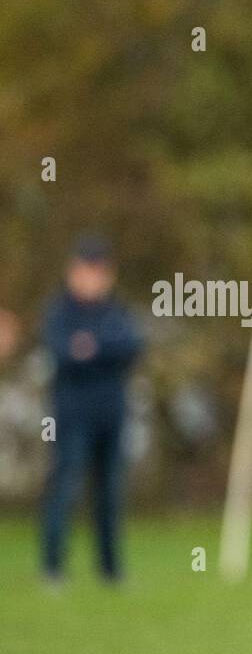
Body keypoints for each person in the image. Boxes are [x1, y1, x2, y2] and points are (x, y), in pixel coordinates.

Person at [40, 234, 144, 584]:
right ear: (74, 270)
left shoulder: (116, 312)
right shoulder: (59, 312)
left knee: (109, 494)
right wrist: (100, 352)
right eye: (86, 269)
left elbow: (130, 347)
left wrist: (92, 348)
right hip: (71, 417)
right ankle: (53, 567)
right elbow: (62, 354)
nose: (92, 278)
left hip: (110, 416)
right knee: (64, 488)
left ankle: (110, 570)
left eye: (99, 271)